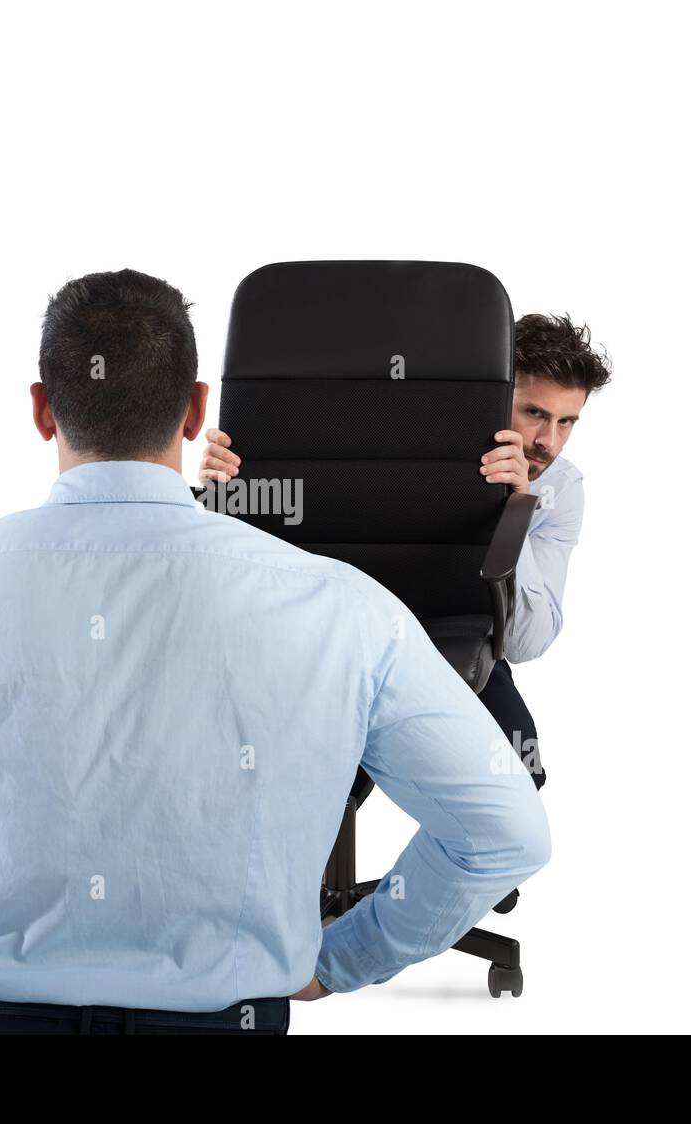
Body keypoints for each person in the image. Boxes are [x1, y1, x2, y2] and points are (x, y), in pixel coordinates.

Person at [0, 268, 550, 1035]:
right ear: (196, 410)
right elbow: (502, 831)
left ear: (39, 407)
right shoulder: (349, 610)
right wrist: (336, 962)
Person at [199, 313, 612, 791]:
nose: (549, 442)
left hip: (450, 634)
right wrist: (228, 496)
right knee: (297, 791)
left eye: (566, 422)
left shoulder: (561, 487)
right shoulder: (405, 434)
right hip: (329, 634)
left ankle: (402, 871)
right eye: (534, 413)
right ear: (493, 397)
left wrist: (513, 507)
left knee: (519, 782)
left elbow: (525, 643)